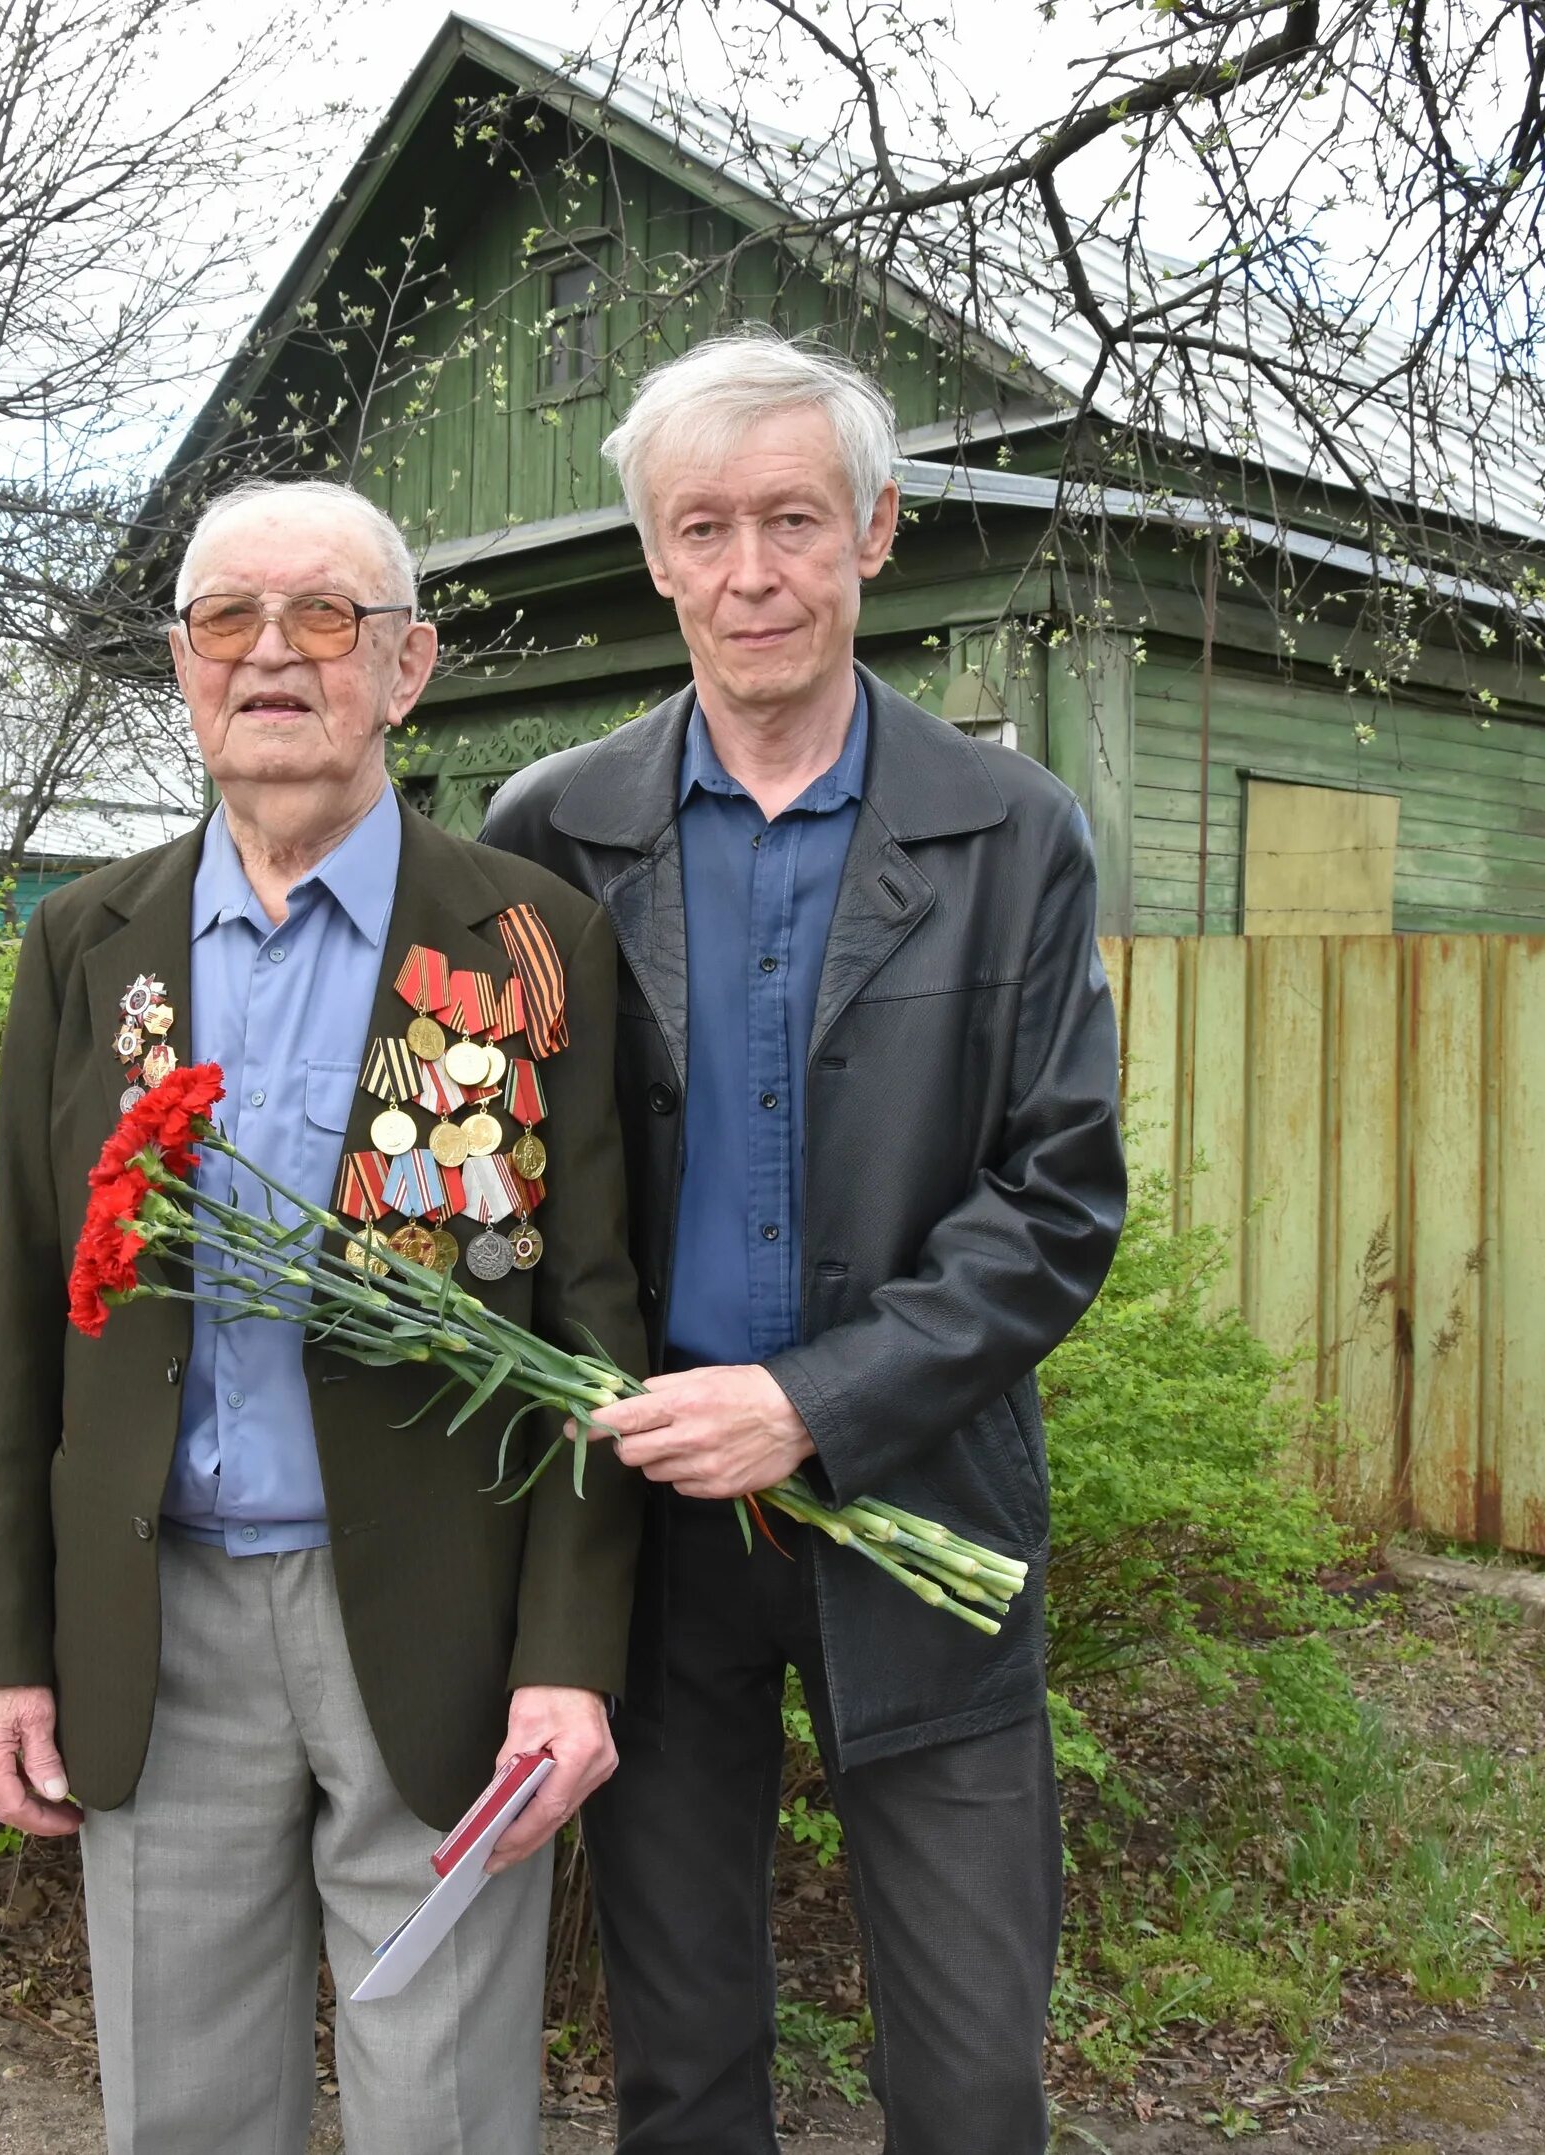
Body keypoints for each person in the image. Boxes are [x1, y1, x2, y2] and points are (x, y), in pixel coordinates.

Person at [0, 477, 648, 2155]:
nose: (272, 656)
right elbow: (27, 1318)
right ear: (182, 669)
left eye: (324, 618)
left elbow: (594, 1319)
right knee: (179, 2110)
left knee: (450, 2116)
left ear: (406, 668)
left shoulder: (535, 943)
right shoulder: (82, 942)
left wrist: (567, 1662)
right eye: (225, 622)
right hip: (153, 1623)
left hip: (437, 1623)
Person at [476, 331, 1126, 2155]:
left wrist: (817, 1402)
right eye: (705, 527)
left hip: (922, 1503)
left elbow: (1058, 1196)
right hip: (648, 1518)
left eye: (791, 520)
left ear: (875, 531)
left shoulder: (1011, 833)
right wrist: (102, 1207)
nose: (749, 572)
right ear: (658, 556)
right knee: (679, 2064)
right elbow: (463, 1157)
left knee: (974, 2067)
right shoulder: (554, 833)